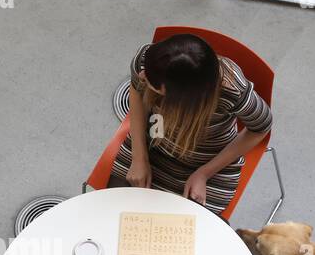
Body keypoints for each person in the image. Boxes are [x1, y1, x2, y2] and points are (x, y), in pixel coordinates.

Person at [112, 33, 272, 216]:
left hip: (208, 165)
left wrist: (204, 173)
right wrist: (139, 158)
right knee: (116, 212)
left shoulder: (232, 91)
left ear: (181, 97)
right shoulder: (147, 60)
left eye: (153, 84)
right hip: (153, 146)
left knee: (185, 233)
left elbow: (261, 127)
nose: (141, 75)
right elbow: (136, 89)